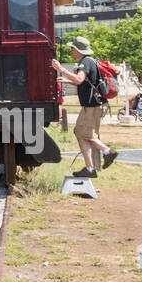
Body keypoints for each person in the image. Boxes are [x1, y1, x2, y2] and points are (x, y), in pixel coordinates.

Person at [51, 36, 118, 178]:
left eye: (72, 48)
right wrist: (68, 81)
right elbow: (84, 82)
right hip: (98, 105)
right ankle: (90, 167)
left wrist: (61, 69)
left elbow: (79, 79)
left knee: (82, 134)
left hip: (91, 106)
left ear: (78, 50)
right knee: (86, 135)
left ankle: (106, 153)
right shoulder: (91, 61)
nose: (71, 51)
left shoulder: (85, 62)